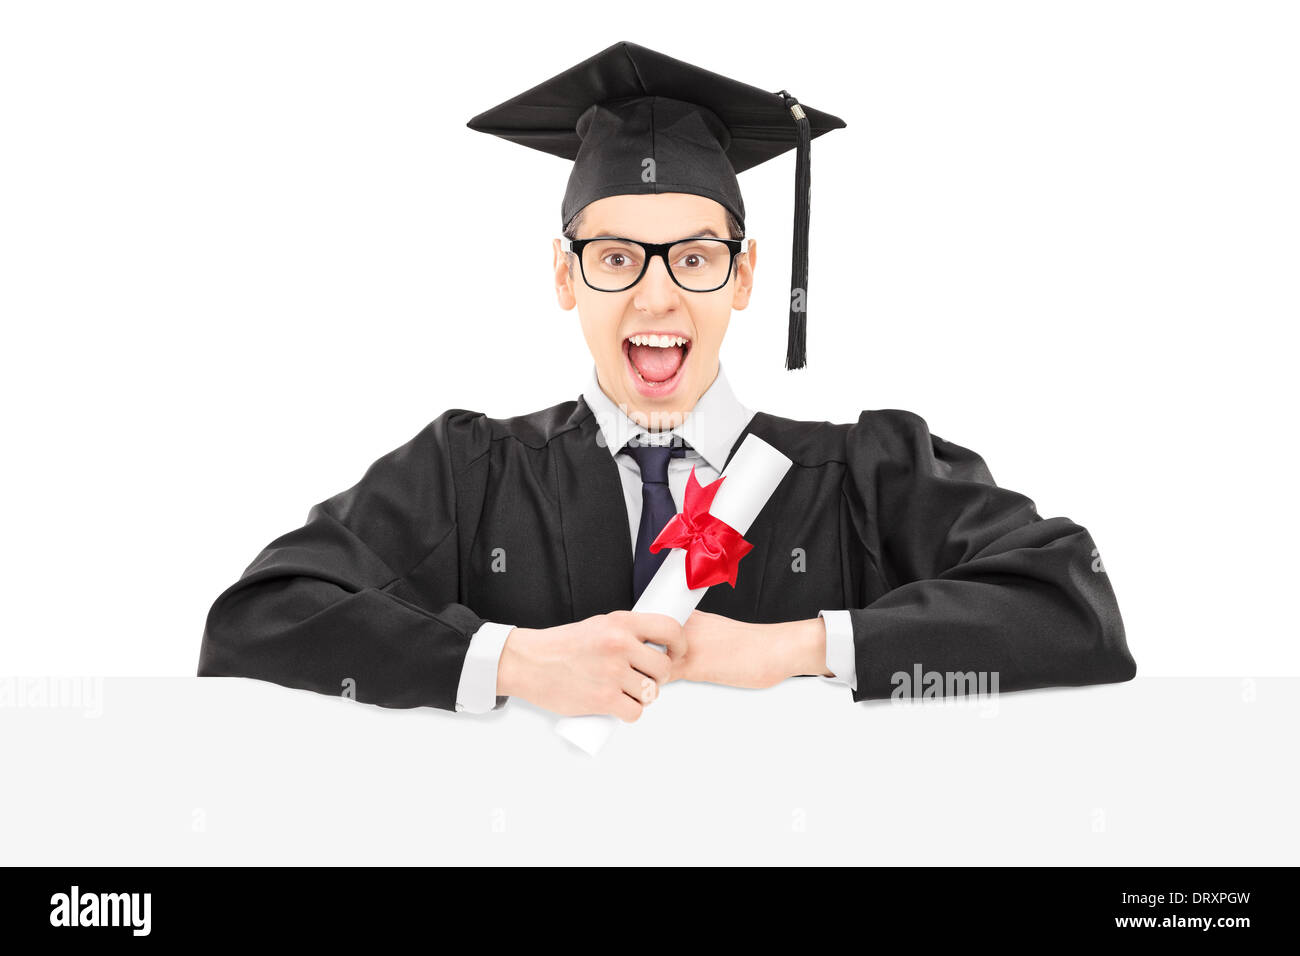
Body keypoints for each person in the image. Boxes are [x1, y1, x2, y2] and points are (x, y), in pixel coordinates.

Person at [198, 41, 1136, 722]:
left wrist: (793, 648)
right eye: (614, 257)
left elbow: (1072, 607)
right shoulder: (469, 471)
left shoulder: (862, 475)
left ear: (745, 274)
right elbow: (257, 620)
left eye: (693, 256)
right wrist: (512, 662)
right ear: (565, 277)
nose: (655, 292)